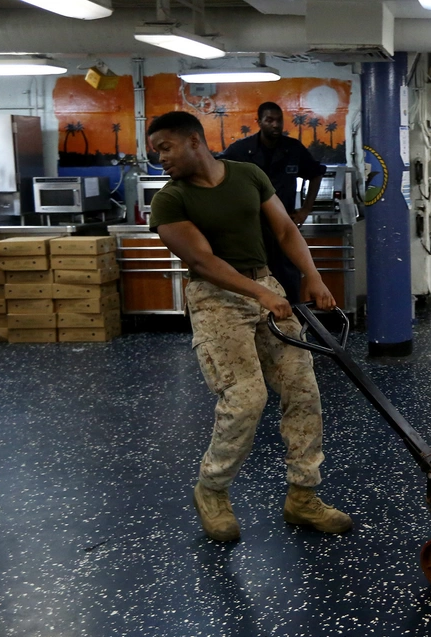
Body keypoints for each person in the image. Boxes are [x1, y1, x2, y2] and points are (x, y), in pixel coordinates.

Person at [146, 111, 352, 542]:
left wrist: (311, 275)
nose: (159, 159)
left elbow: (284, 230)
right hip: (215, 298)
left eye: (165, 148)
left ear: (194, 141)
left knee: (302, 388)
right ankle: (212, 489)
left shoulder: (248, 174)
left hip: (266, 286)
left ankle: (303, 496)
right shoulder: (170, 200)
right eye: (155, 153)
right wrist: (259, 294)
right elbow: (203, 261)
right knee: (245, 398)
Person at [222, 102, 327, 302]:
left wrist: (306, 210)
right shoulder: (241, 151)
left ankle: (291, 327)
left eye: (279, 120)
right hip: (250, 228)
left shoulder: (293, 149)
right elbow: (218, 174)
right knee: (254, 281)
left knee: (288, 281)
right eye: (269, 120)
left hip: (284, 224)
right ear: (259, 122)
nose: (275, 125)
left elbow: (316, 174)